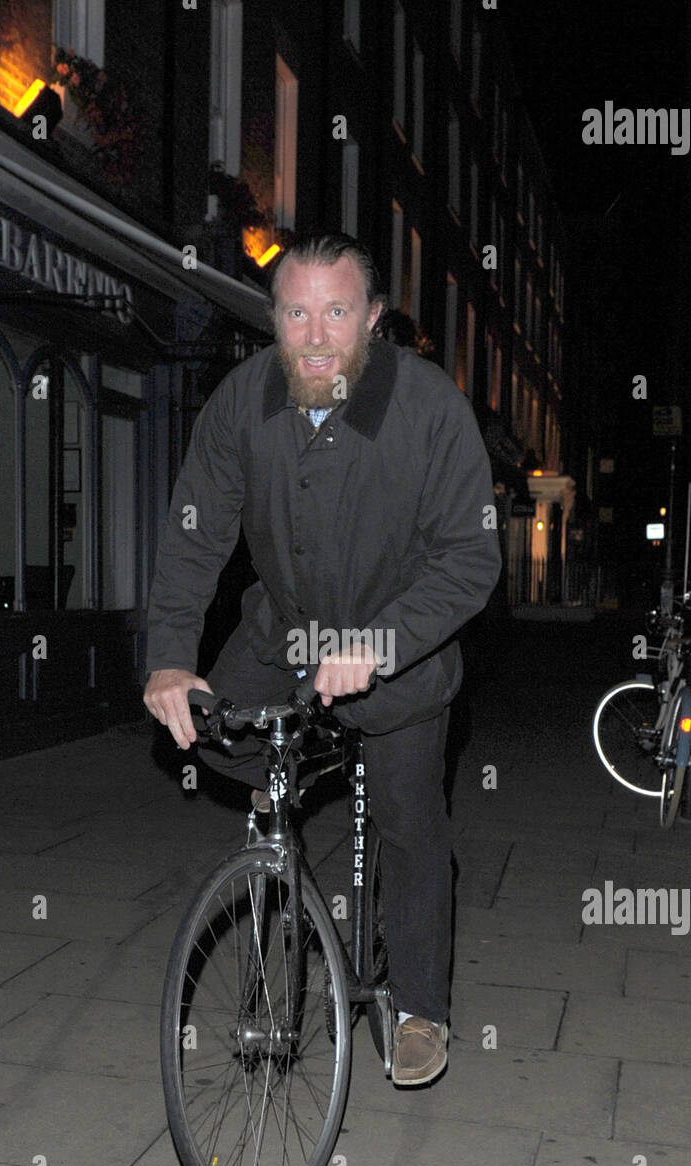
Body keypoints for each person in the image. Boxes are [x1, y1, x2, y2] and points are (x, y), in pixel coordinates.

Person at [144, 232, 500, 1086]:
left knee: (409, 819)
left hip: (400, 649)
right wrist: (166, 658)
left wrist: (376, 646)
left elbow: (470, 559)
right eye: (295, 311)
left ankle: (419, 1008)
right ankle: (284, 865)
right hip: (283, 636)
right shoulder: (242, 402)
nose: (313, 335)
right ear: (272, 319)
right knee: (215, 738)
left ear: (372, 319)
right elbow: (195, 536)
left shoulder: (425, 408)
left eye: (335, 311)